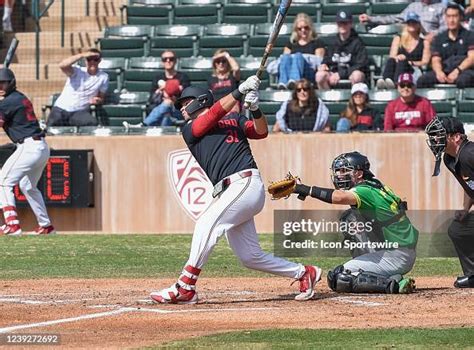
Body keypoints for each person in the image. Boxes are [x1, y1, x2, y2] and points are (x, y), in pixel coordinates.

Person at [150, 76, 322, 304]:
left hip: (245, 183)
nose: (181, 108)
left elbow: (261, 132)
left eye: (185, 103)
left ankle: (185, 286)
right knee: (250, 257)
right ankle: (303, 272)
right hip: (230, 192)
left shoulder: (234, 119)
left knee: (206, 224)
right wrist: (239, 91)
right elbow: (211, 117)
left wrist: (256, 109)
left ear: (200, 101)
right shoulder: (190, 129)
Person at [290, 151, 418, 294]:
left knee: (340, 278)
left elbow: (339, 197)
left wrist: (305, 189)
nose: (339, 175)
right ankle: (387, 275)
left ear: (359, 174)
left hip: (396, 255)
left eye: (344, 170)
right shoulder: (375, 185)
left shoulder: (364, 191)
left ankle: (393, 284)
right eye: (337, 171)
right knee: (348, 218)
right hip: (397, 249)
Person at [0, 68, 55, 236]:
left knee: (3, 182)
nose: (1, 86)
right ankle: (45, 226)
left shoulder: (9, 101)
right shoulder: (18, 97)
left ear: (11, 83)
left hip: (29, 147)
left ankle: (12, 224)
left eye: (3, 82)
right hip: (41, 148)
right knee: (28, 186)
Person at [425, 117, 474, 288]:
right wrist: (465, 209)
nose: (435, 140)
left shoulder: (470, 154)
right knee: (458, 229)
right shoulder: (449, 159)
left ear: (457, 137)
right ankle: (473, 274)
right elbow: (469, 186)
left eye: (440, 136)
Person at [417, 3, 474, 88]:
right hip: (445, 70)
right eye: (449, 16)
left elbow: (472, 58)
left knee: (463, 80)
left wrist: (457, 71)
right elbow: (436, 59)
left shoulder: (470, 36)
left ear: (461, 17)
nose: (451, 20)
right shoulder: (439, 38)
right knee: (423, 80)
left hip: (464, 70)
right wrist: (439, 72)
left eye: (455, 16)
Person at [47, 49, 109, 127]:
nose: (92, 62)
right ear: (86, 60)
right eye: (89, 59)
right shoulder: (77, 71)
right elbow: (62, 65)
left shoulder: (103, 77)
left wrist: (97, 100)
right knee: (49, 131)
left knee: (92, 124)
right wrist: (82, 55)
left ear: (100, 60)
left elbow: (101, 97)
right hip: (61, 109)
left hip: (78, 112)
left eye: (95, 59)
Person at [376, 12, 431, 89]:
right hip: (398, 66)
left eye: (414, 22)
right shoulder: (398, 38)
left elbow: (425, 61)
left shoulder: (424, 42)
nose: (411, 24)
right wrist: (398, 57)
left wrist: (410, 62)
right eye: (409, 23)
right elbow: (392, 55)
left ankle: (396, 84)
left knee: (403, 61)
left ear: (419, 25)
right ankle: (385, 80)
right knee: (392, 60)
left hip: (413, 69)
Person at [316, 10, 369, 90]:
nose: (342, 26)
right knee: (319, 76)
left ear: (350, 24)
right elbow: (327, 59)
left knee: (357, 75)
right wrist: (324, 65)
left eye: (345, 23)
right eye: (340, 23)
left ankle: (354, 101)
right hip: (334, 73)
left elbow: (361, 64)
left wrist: (341, 74)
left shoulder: (358, 42)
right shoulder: (333, 42)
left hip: (351, 73)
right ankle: (327, 100)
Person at [359, 0, 446, 43]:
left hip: (430, 40)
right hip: (413, 39)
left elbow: (446, 26)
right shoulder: (414, 6)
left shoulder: (440, 7)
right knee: (397, 41)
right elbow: (395, 18)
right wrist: (371, 19)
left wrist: (434, 34)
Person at [277, 13, 325, 89]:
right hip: (290, 72)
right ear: (296, 30)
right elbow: (285, 61)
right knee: (286, 57)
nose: (303, 30)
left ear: (310, 28)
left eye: (306, 28)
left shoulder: (317, 43)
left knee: (298, 56)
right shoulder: (291, 43)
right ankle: (283, 82)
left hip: (309, 72)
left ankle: (295, 81)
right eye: (300, 28)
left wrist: (302, 58)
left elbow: (319, 62)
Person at [144, 50, 190, 126]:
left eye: (171, 59)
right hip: (161, 109)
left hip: (178, 110)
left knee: (167, 103)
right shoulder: (157, 78)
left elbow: (188, 98)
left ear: (175, 61)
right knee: (166, 114)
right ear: (162, 62)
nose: (168, 61)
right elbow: (152, 99)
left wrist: (174, 99)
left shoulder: (183, 77)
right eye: (165, 59)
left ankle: (144, 124)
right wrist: (160, 91)